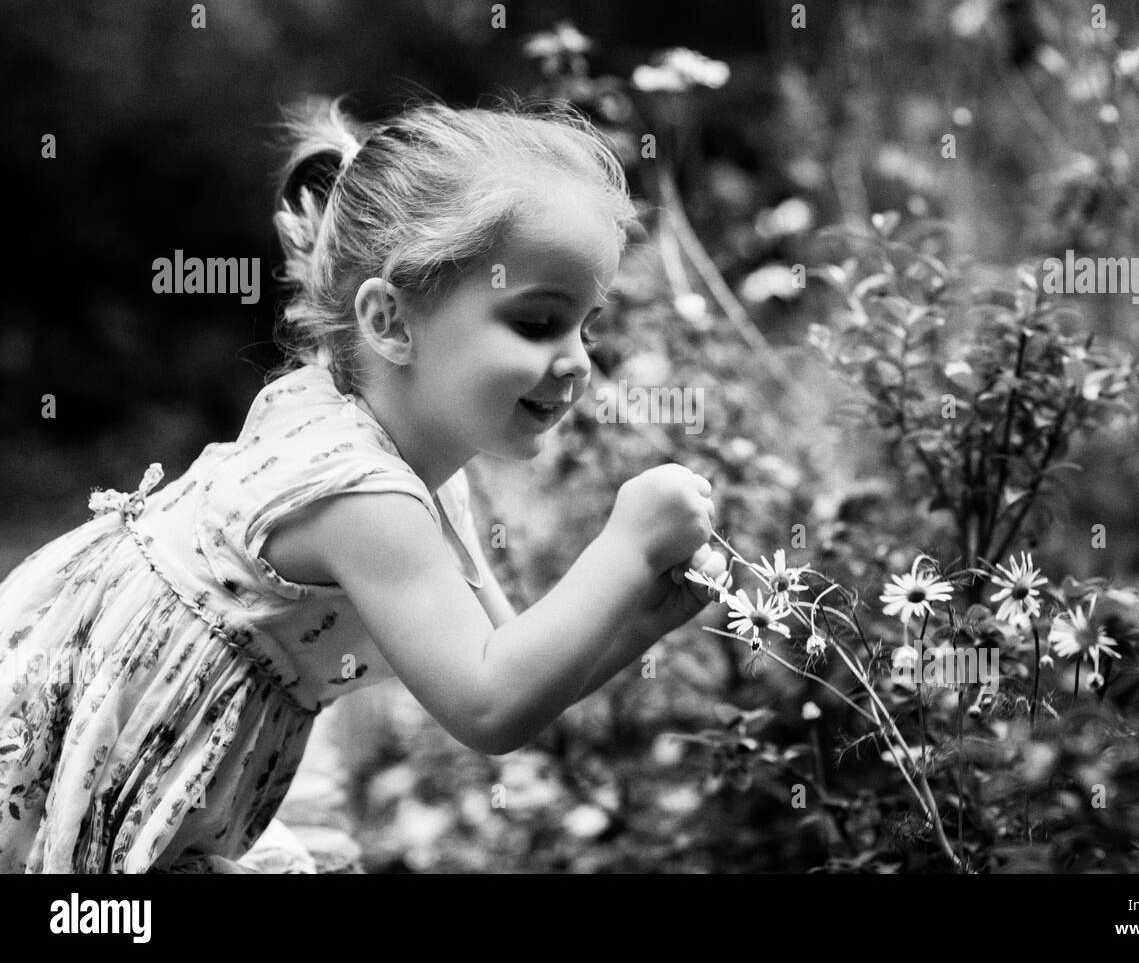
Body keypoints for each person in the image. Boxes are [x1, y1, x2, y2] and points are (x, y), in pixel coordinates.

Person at [0, 95, 729, 873]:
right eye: (537, 323)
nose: (578, 360)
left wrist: (642, 619)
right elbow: (487, 706)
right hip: (122, 747)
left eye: (587, 324)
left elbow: (515, 667)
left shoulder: (384, 442)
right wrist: (626, 543)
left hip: (161, 745)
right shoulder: (362, 496)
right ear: (388, 322)